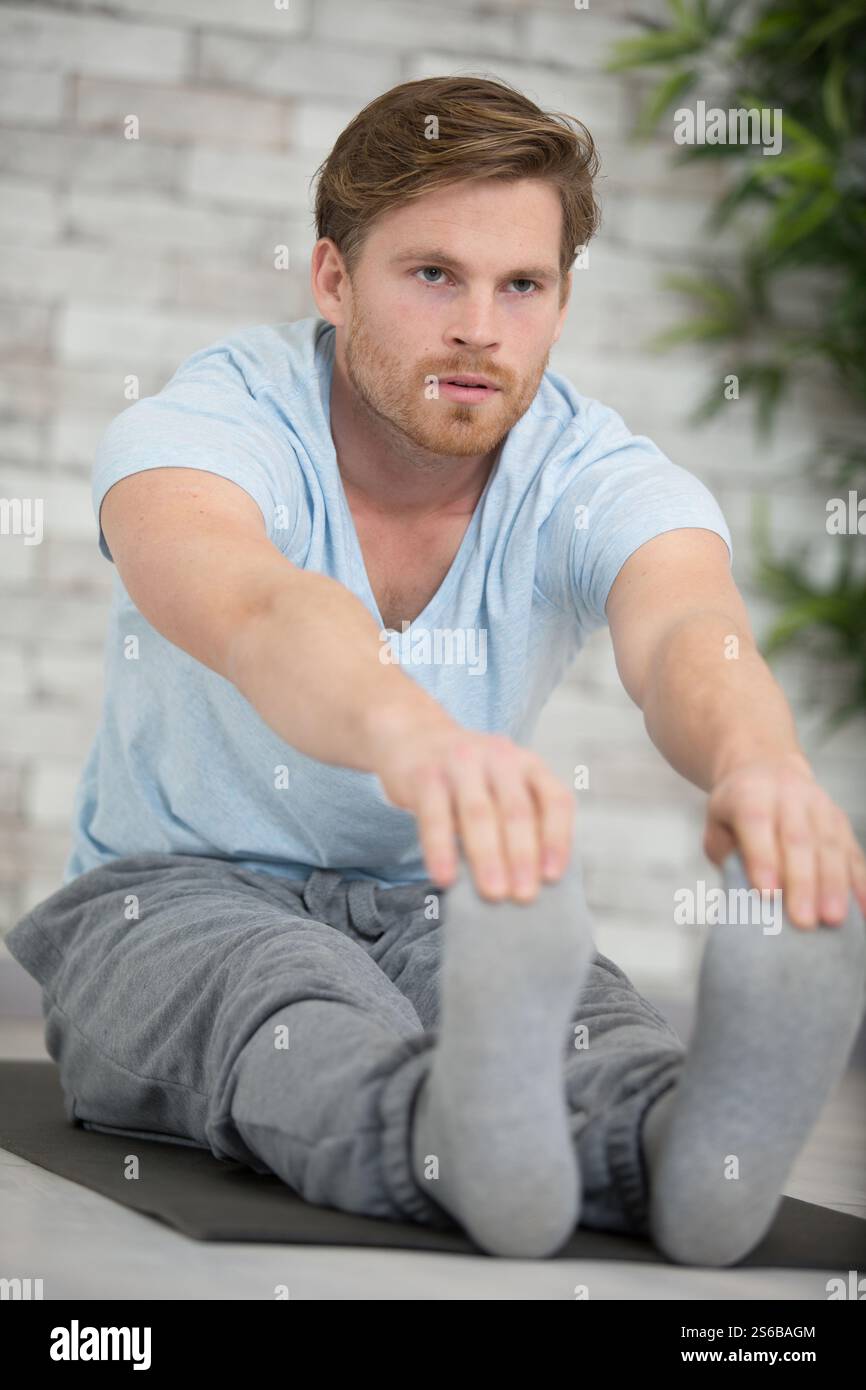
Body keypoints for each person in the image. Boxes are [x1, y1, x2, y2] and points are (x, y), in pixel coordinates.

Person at [7, 76, 865, 1263]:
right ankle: (447, 1137)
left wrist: (759, 765)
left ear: (561, 300)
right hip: (175, 895)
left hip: (435, 901)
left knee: (573, 1017)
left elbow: (684, 627)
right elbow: (261, 608)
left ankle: (674, 1144)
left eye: (522, 285)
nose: (480, 326)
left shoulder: (589, 467)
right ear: (330, 277)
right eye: (432, 275)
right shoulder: (209, 421)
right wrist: (416, 740)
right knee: (296, 1007)